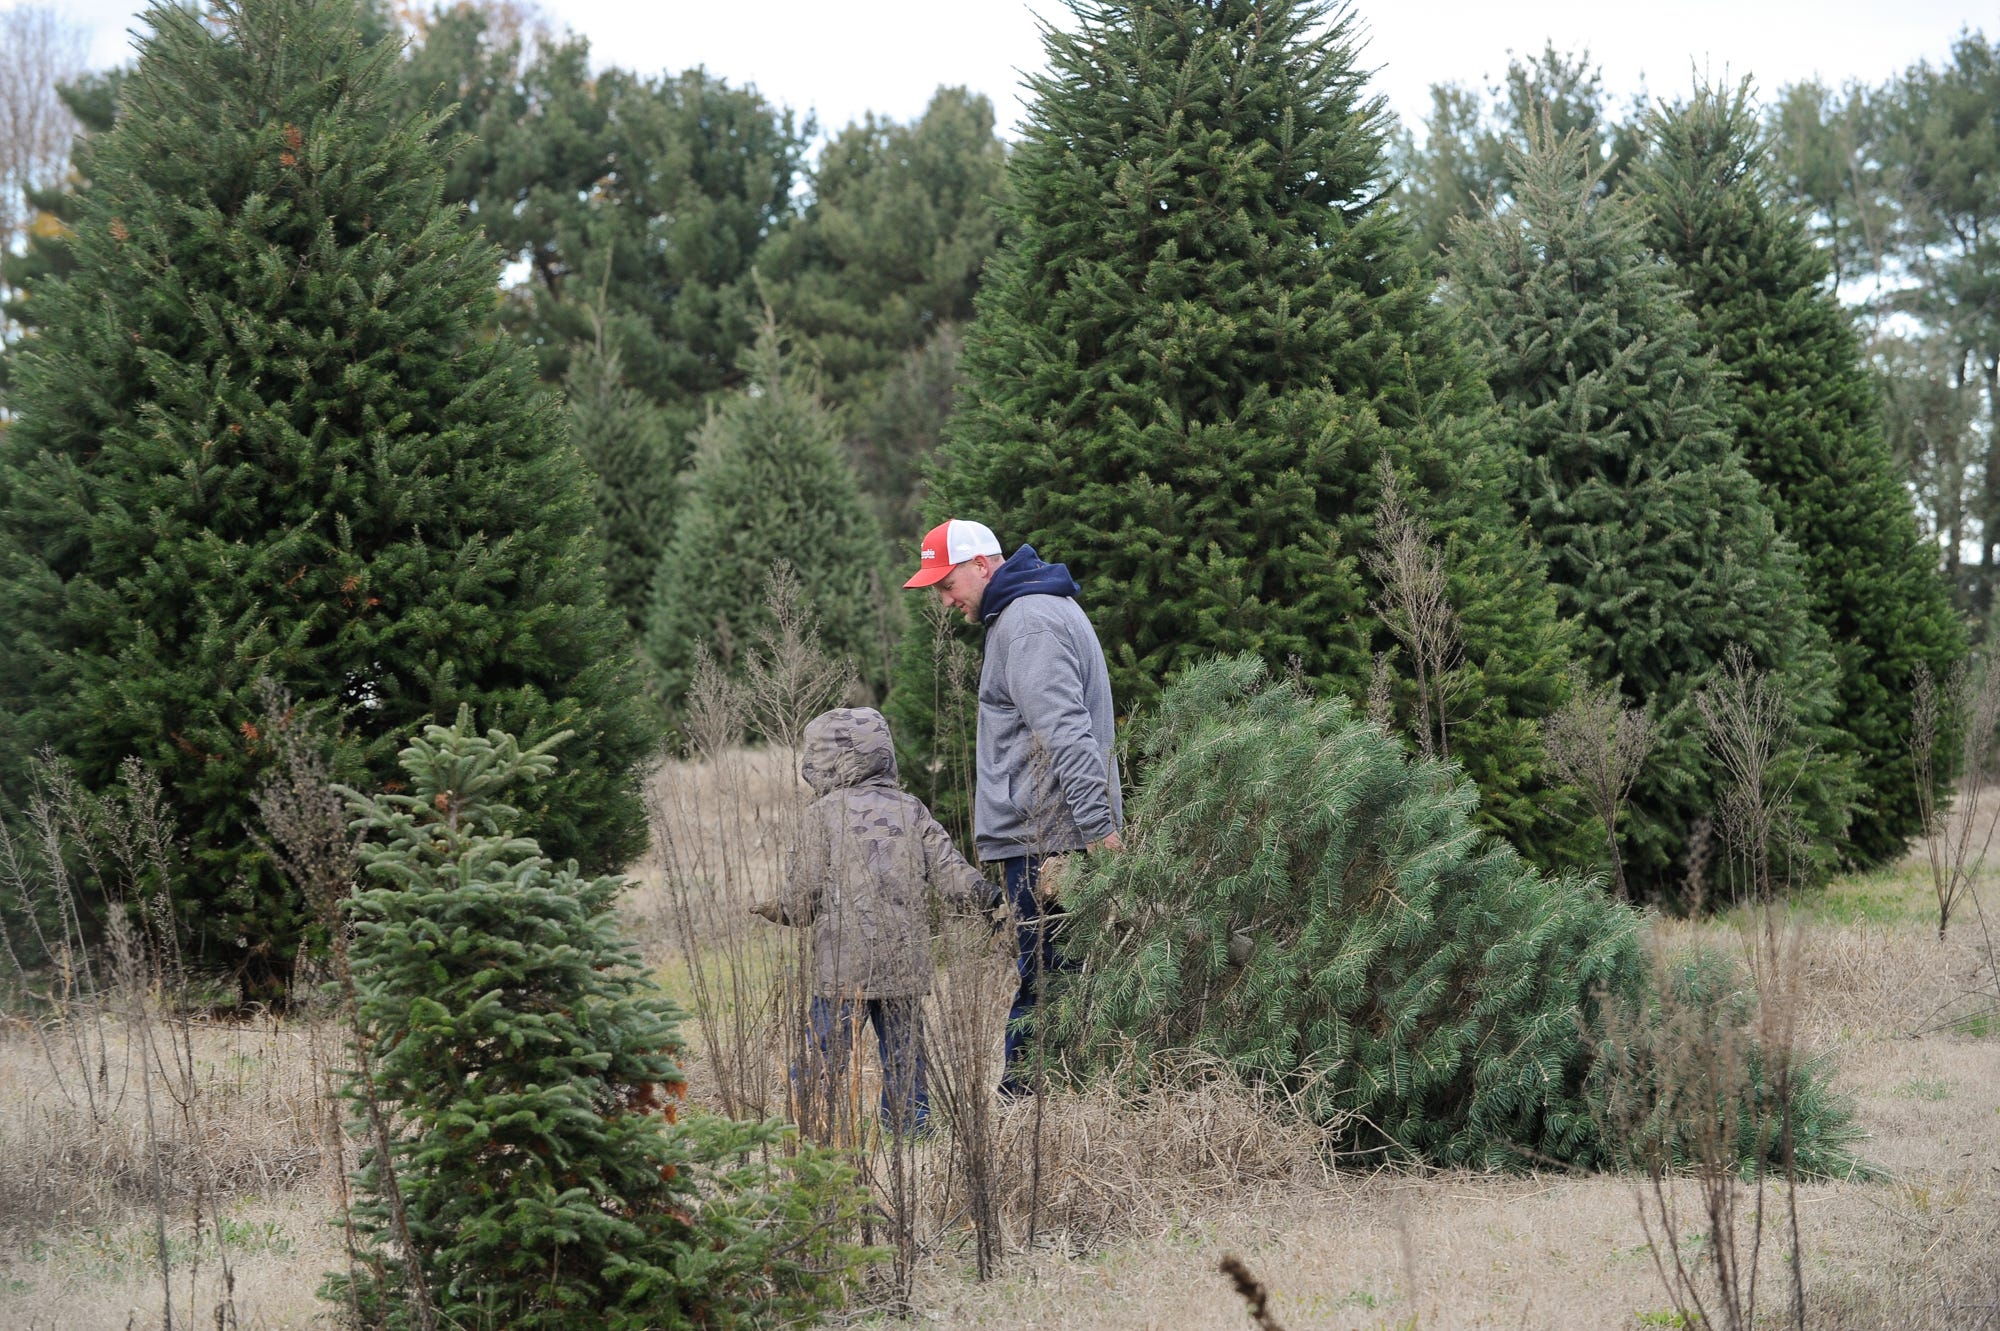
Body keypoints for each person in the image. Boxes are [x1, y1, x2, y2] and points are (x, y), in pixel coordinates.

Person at [903, 519, 1123, 1097]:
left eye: (947, 583)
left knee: (1047, 984)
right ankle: (1068, 1103)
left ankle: (1026, 1110)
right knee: (1061, 980)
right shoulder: (1031, 613)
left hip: (1049, 840)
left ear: (982, 565)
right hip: (1053, 832)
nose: (944, 599)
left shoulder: (1026, 624)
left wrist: (1100, 831)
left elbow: (1068, 734)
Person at [749, 706, 990, 1134]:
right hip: (904, 962)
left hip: (842, 969)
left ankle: (804, 1129)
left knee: (824, 1053)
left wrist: (780, 909)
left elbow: (803, 897)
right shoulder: (911, 810)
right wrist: (986, 898)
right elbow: (952, 872)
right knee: (906, 1055)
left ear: (824, 759)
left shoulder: (821, 815)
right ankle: (911, 1132)